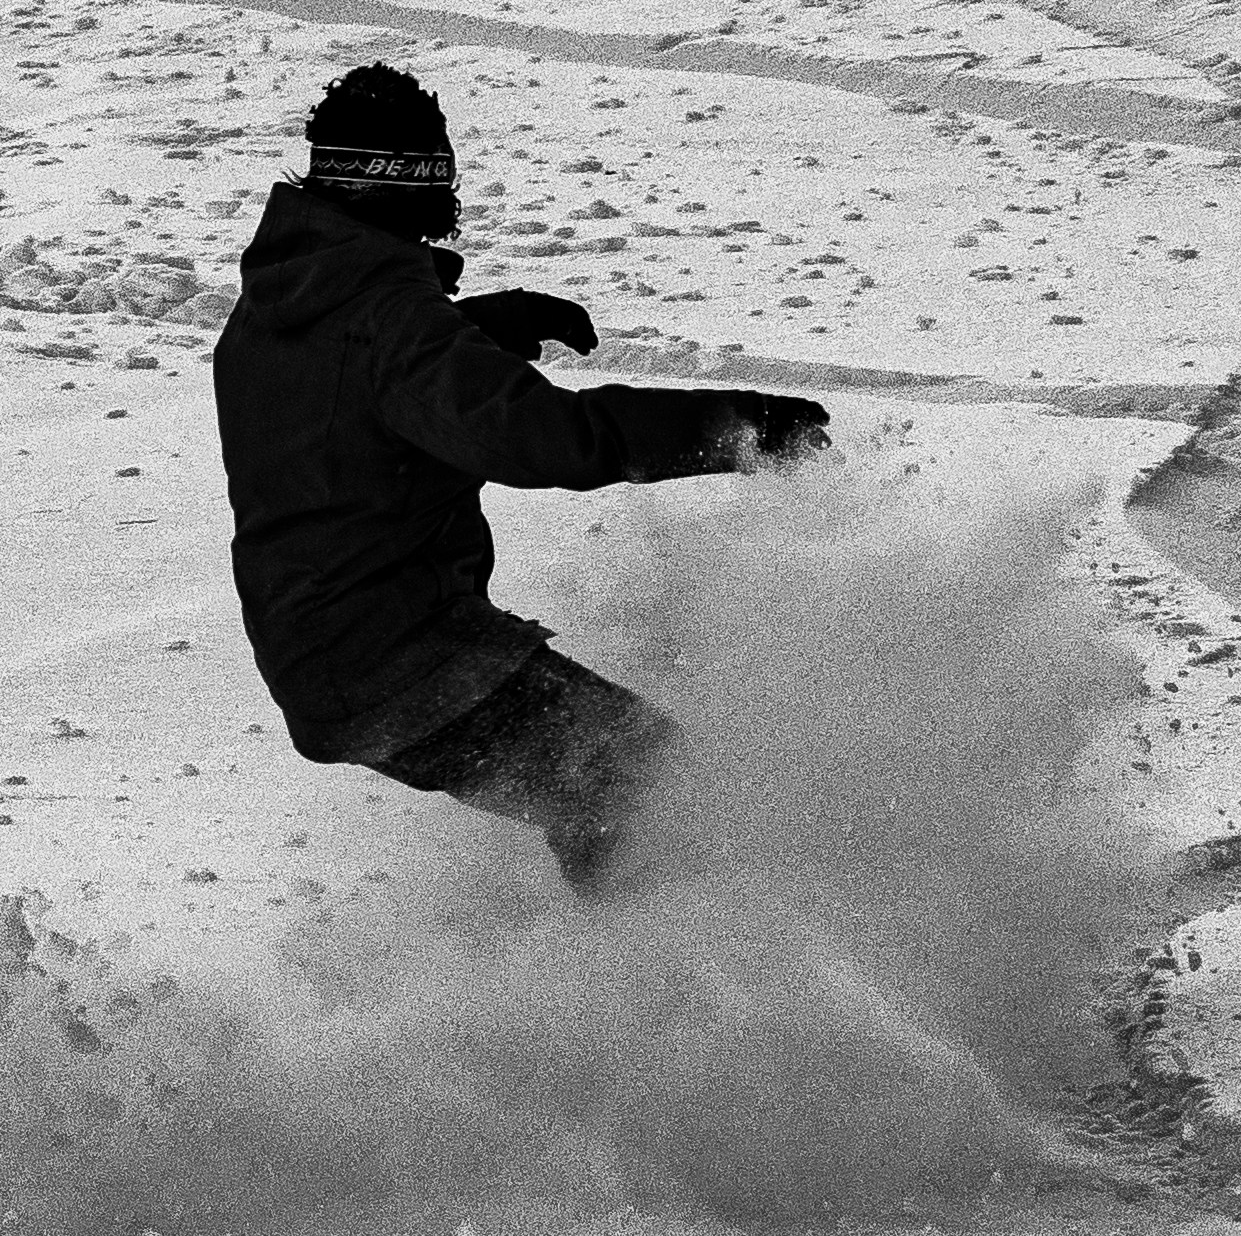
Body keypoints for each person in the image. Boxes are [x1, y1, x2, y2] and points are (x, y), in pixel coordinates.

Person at [212, 59, 830, 891]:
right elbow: (549, 439)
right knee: (643, 780)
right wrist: (739, 429)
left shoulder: (285, 299)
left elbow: (350, 387)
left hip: (330, 655)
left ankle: (608, 976)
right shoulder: (393, 324)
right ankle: (639, 996)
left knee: (614, 786)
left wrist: (479, 326)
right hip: (400, 662)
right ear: (417, 186)